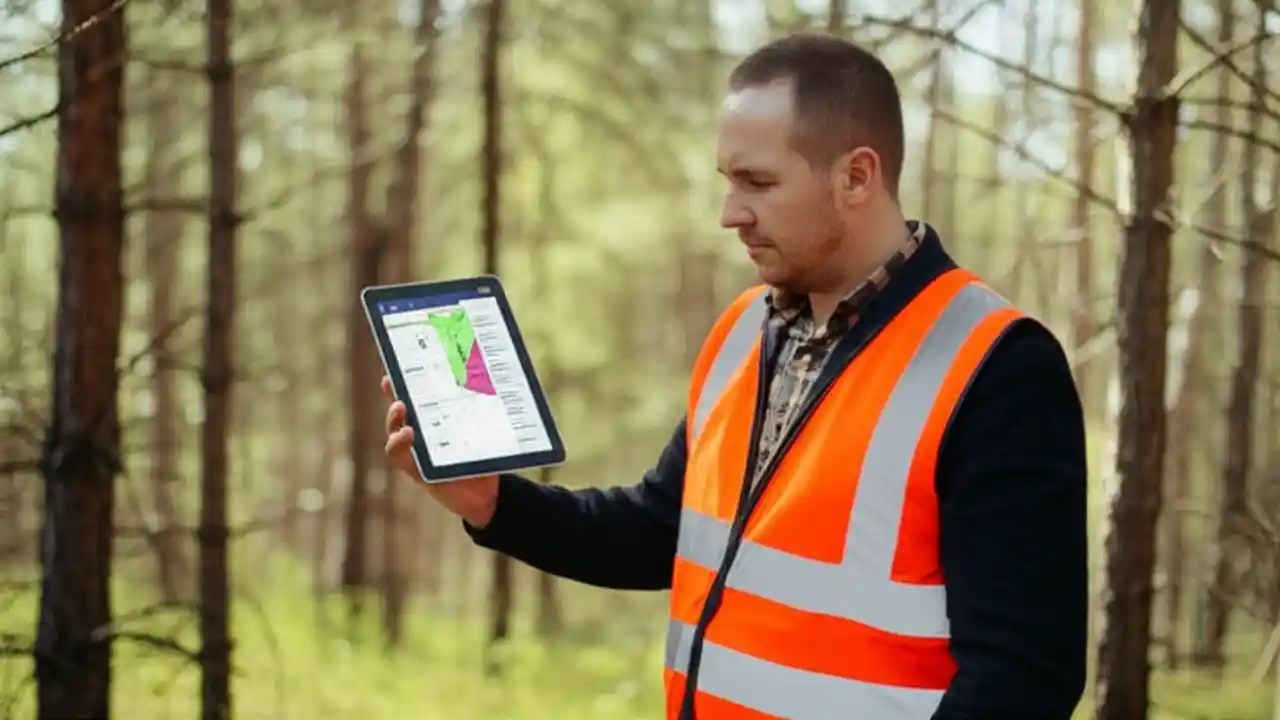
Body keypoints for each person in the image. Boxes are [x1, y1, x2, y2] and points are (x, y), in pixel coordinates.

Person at [381, 33, 1087, 720]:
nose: (730, 214)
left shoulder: (998, 365)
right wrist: (492, 502)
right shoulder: (743, 332)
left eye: (758, 182)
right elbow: (659, 530)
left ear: (857, 176)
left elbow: (1024, 680)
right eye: (728, 181)